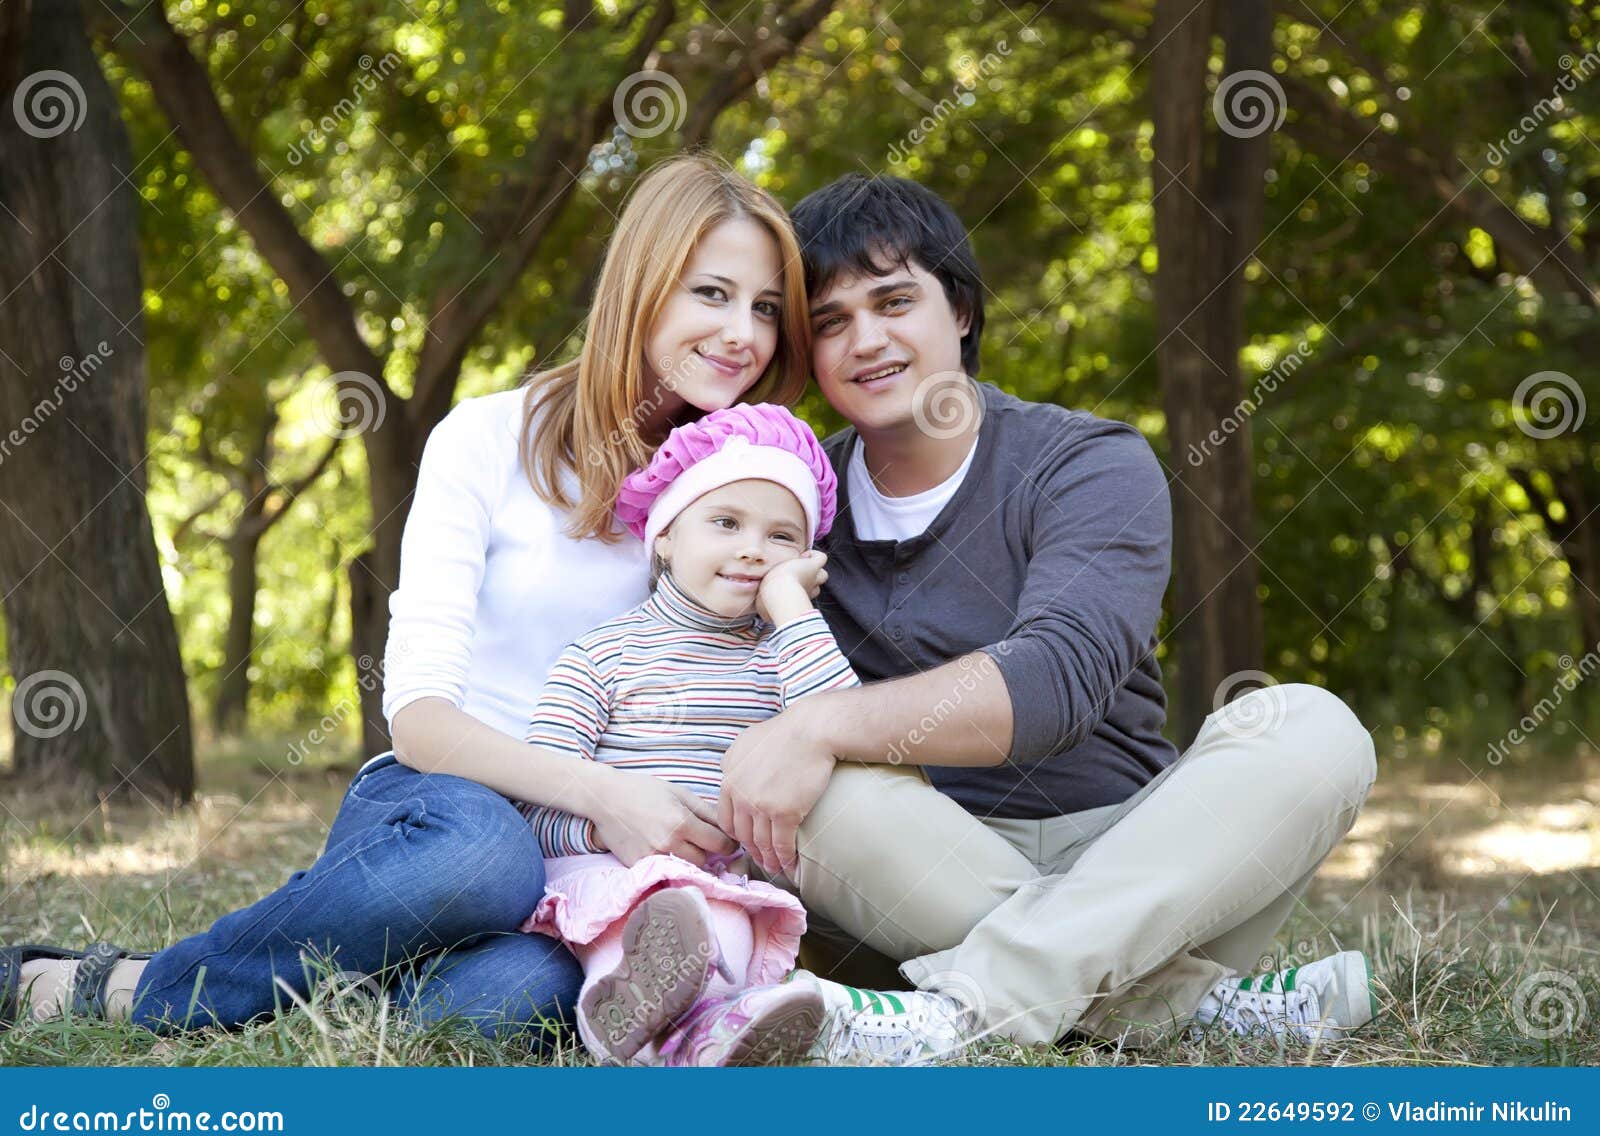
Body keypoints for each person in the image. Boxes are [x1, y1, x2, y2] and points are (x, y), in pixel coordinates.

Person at [0, 152, 812, 1040]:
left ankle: (337, 992)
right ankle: (137, 984)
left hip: (593, 877)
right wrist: (607, 792)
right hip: (444, 811)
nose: (745, 332)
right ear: (642, 287)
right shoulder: (488, 437)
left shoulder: (755, 496)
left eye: (766, 307)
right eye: (713, 293)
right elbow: (420, 717)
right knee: (484, 859)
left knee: (516, 998)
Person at [712, 174, 1381, 1064]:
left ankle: (965, 1010)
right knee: (811, 795)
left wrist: (821, 723)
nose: (865, 340)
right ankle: (1193, 1007)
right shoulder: (793, 503)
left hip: (1143, 850)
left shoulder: (1085, 461)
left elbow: (1052, 681)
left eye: (895, 300)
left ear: (959, 310)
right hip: (919, 864)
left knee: (1311, 727)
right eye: (830, 321)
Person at [518, 403, 858, 1066]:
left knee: (715, 923)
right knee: (661, 927)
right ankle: (641, 1021)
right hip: (605, 872)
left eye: (783, 537)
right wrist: (599, 832)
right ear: (666, 536)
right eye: (725, 522)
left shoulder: (785, 654)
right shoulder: (601, 654)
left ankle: (698, 1037)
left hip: (719, 883)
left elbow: (843, 728)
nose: (754, 547)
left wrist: (790, 606)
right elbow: (535, 800)